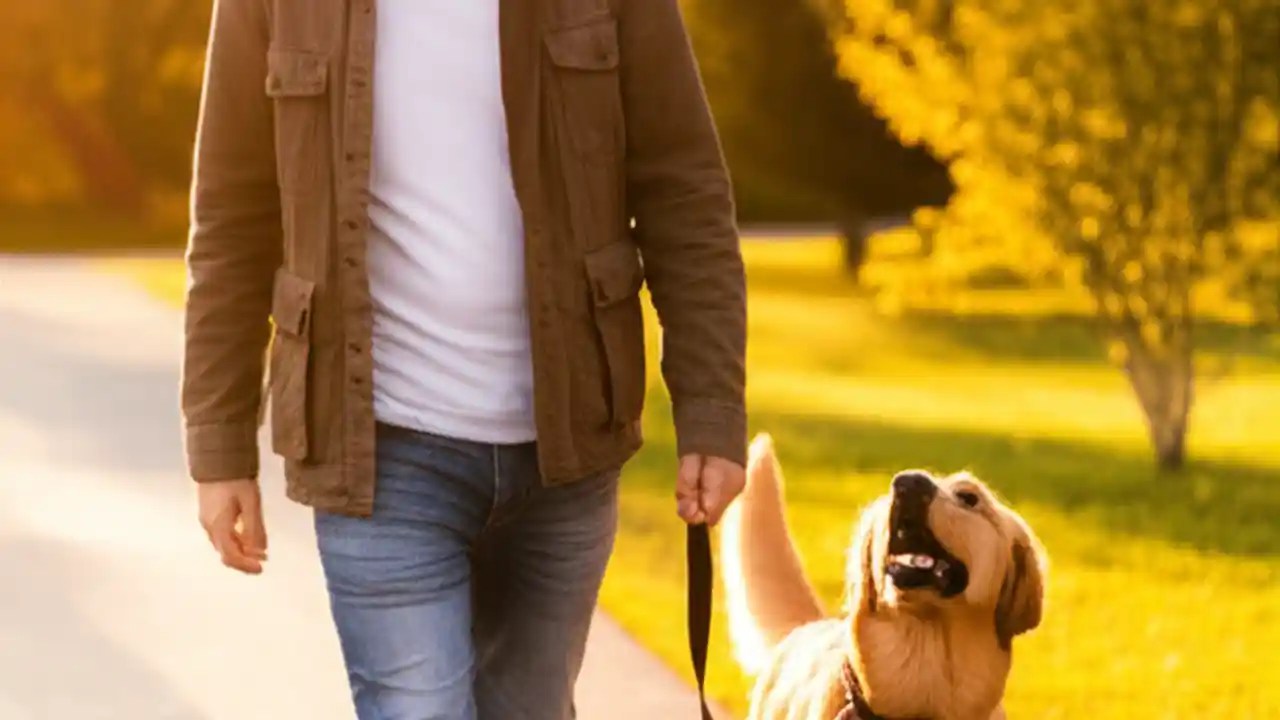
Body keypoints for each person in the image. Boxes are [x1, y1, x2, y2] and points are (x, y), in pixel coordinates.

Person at [181, 1, 746, 718]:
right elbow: (231, 214)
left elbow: (684, 192)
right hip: (380, 456)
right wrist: (219, 443)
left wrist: (710, 410)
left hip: (566, 453)